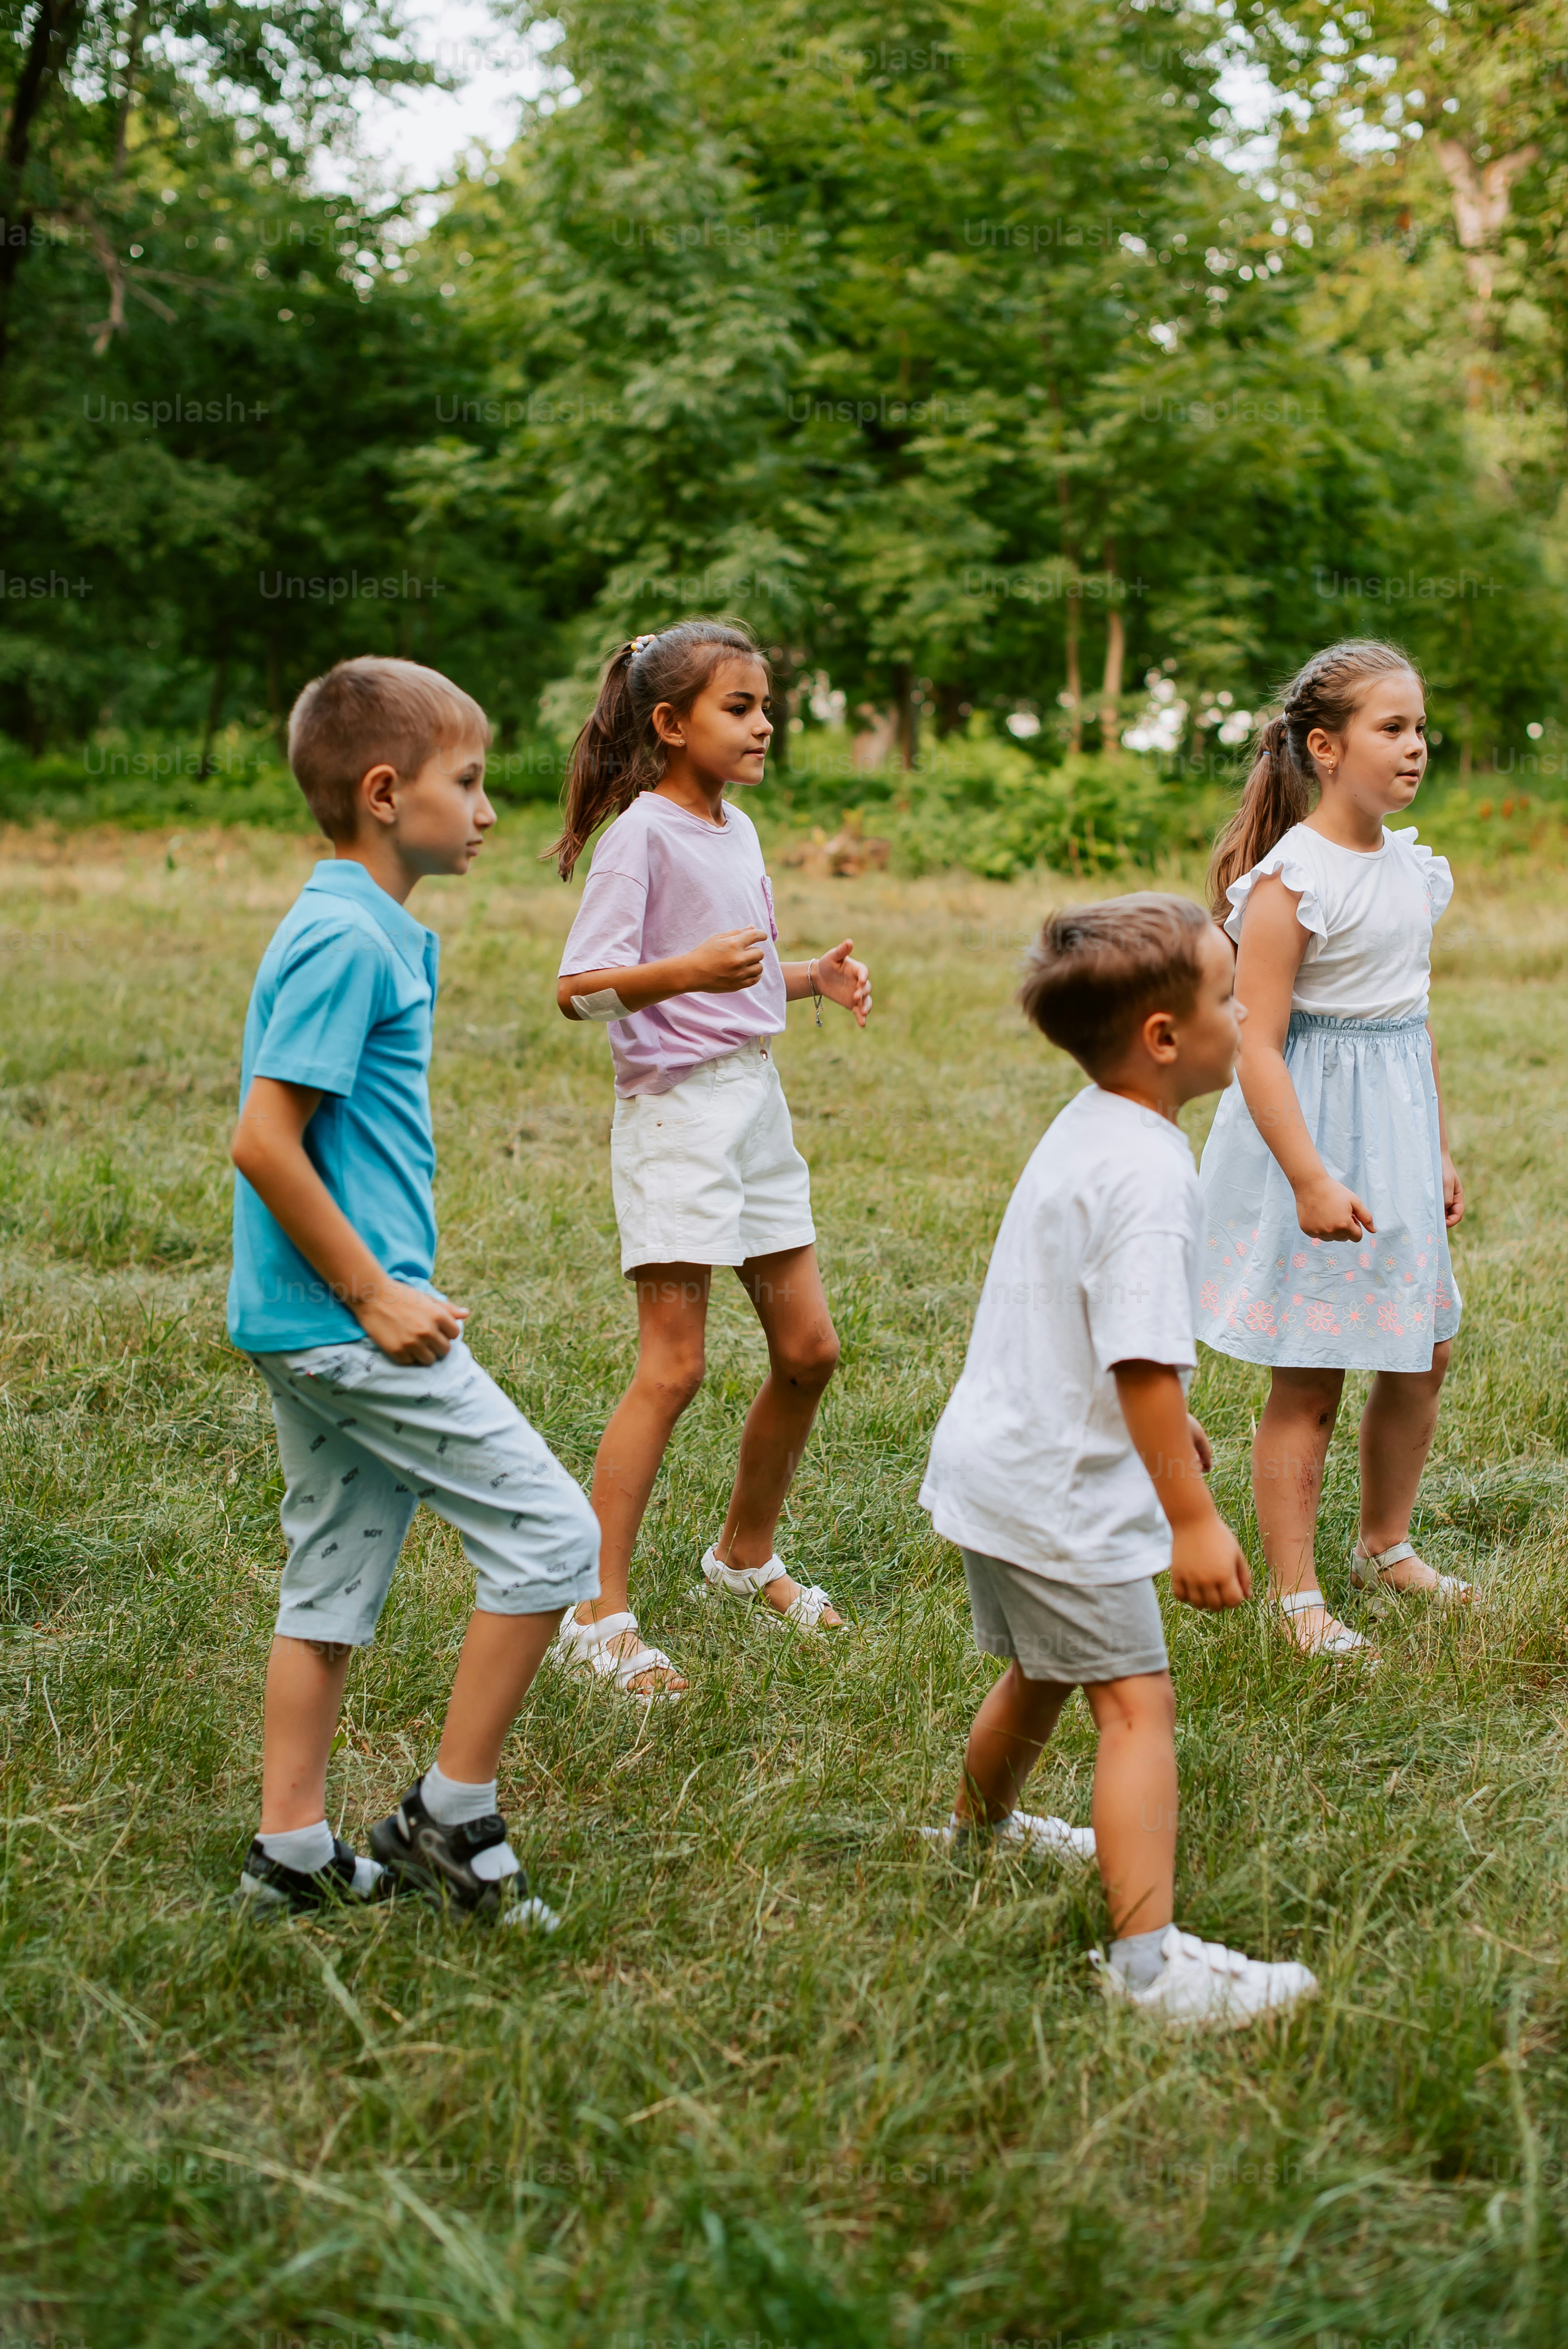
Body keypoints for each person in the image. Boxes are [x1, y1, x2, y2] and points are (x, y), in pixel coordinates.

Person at [228, 655, 601, 1919]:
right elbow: (263, 1140)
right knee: (555, 1538)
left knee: (329, 1585)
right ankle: (451, 1815)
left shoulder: (364, 925)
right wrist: (376, 1295)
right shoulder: (344, 937)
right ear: (387, 793)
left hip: (310, 1320)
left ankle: (290, 1852)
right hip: (345, 1323)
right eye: (471, 781)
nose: (490, 809)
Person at [921, 895, 1318, 2028]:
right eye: (1228, 999)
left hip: (998, 1465)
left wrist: (1167, 1427)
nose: (1245, 1015)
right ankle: (1149, 1966)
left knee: (1042, 1671)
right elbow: (1142, 1363)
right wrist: (1191, 1517)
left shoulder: (1091, 1124)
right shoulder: (1153, 1178)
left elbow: (1103, 1333)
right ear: (1162, 1037)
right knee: (1135, 1705)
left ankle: (979, 1837)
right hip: (1061, 1498)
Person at [549, 620, 871, 1700]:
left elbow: (748, 973)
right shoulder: (638, 837)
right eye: (740, 708)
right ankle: (593, 1615)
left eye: (766, 706)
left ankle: (743, 1556)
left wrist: (810, 978)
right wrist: (683, 968)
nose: (765, 724)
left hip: (753, 1106)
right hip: (674, 1118)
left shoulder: (735, 832)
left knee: (810, 1347)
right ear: (670, 724)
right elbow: (580, 987)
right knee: (673, 1365)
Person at [1198, 639, 1468, 1661]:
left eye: (1420, 728)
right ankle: (1297, 1595)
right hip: (1315, 1136)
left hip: (1395, 1134)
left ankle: (1384, 1543)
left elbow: (1414, 1023)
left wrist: (1436, 1149)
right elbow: (1255, 1043)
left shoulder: (1411, 865)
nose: (1416, 747)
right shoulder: (1294, 879)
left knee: (1425, 1345)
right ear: (1325, 746)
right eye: (1392, 729)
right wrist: (1310, 1174)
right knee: (1311, 1372)